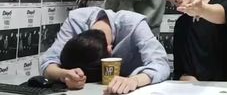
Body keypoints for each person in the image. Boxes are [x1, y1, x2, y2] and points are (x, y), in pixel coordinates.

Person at [39, 7, 170, 94]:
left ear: (110, 49)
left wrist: (133, 81)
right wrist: (64, 74)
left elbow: (160, 64)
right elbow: (47, 63)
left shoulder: (133, 24)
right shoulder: (76, 21)